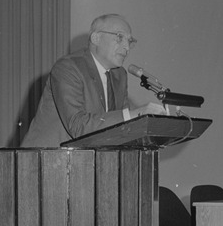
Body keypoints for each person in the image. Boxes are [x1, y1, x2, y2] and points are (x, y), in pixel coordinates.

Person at [20, 14, 166, 147]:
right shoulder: (68, 68)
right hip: (44, 161)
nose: (127, 47)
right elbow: (78, 125)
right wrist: (135, 114)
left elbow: (120, 126)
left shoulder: (119, 75)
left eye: (129, 41)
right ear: (96, 38)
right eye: (119, 37)